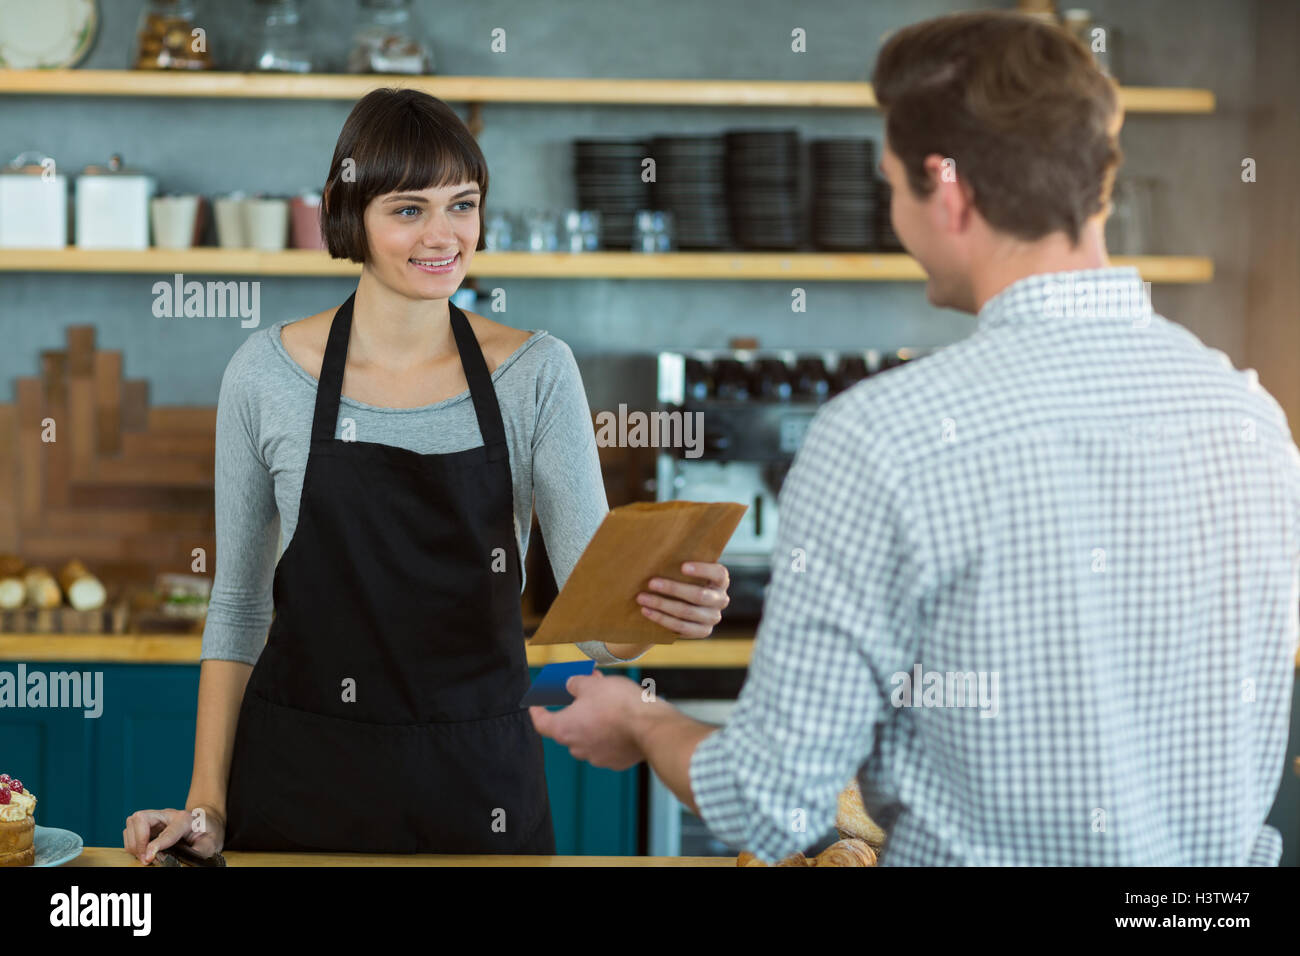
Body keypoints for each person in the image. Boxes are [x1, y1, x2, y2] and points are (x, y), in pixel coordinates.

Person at [532, 10, 1300, 865]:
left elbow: (768, 802)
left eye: (892, 184)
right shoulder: (1253, 419)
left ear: (950, 191)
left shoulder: (883, 434)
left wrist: (642, 721)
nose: (892, 213)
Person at [123, 88, 731, 862]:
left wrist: (659, 611)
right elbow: (239, 606)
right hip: (298, 789)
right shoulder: (265, 374)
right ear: (350, 216)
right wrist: (205, 804)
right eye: (408, 209)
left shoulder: (537, 372)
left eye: (463, 204)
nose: (443, 235)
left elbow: (600, 630)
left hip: (479, 794)